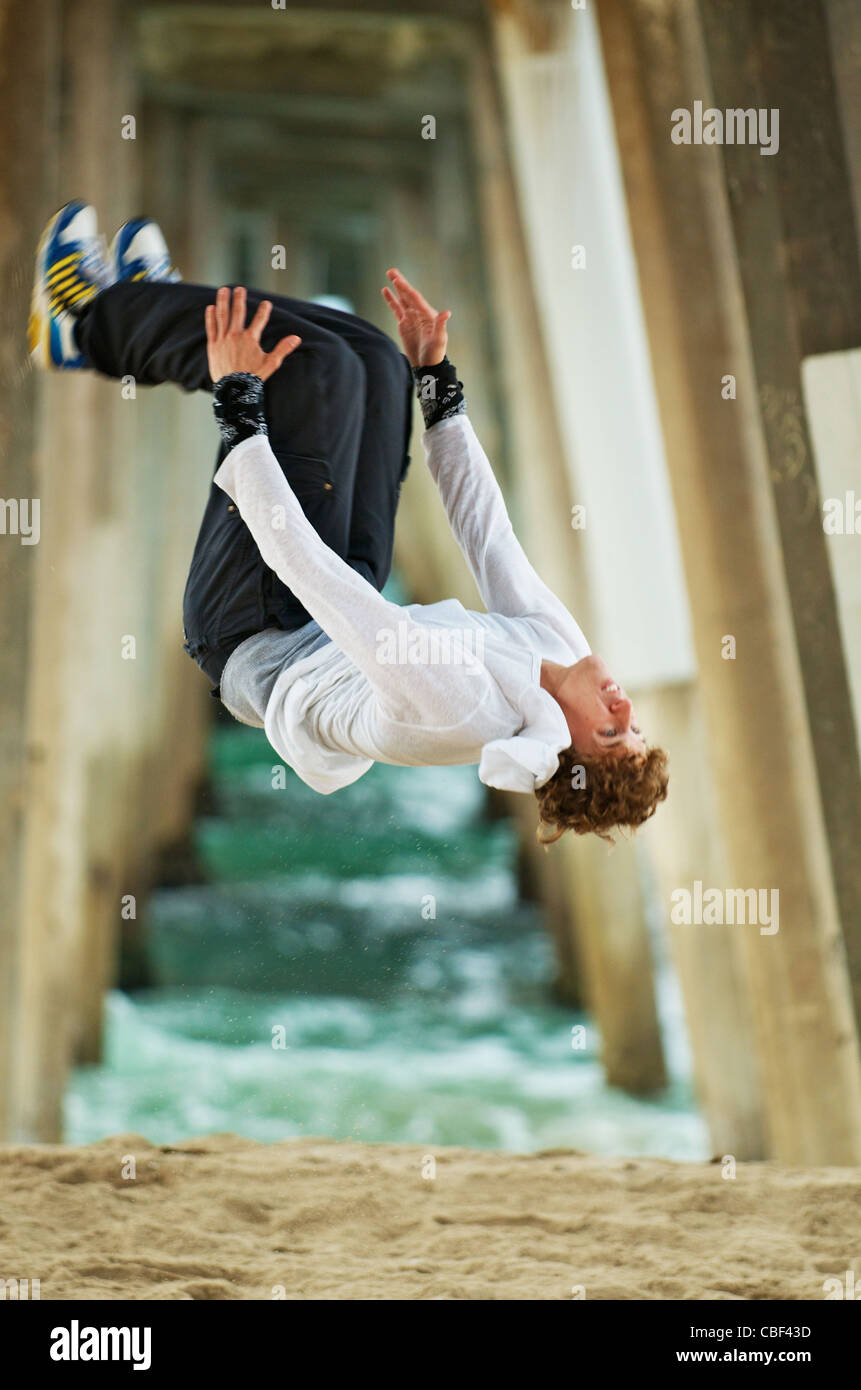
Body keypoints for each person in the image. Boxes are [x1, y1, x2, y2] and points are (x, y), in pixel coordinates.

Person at [30, 200, 668, 843]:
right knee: (380, 362)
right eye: (635, 726)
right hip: (336, 602)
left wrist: (239, 410)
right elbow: (488, 536)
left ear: (561, 743)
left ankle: (84, 325)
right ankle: (151, 316)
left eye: (611, 732)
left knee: (311, 369)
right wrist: (436, 385)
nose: (624, 706)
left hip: (256, 632)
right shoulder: (561, 650)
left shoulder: (464, 706)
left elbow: (312, 576)